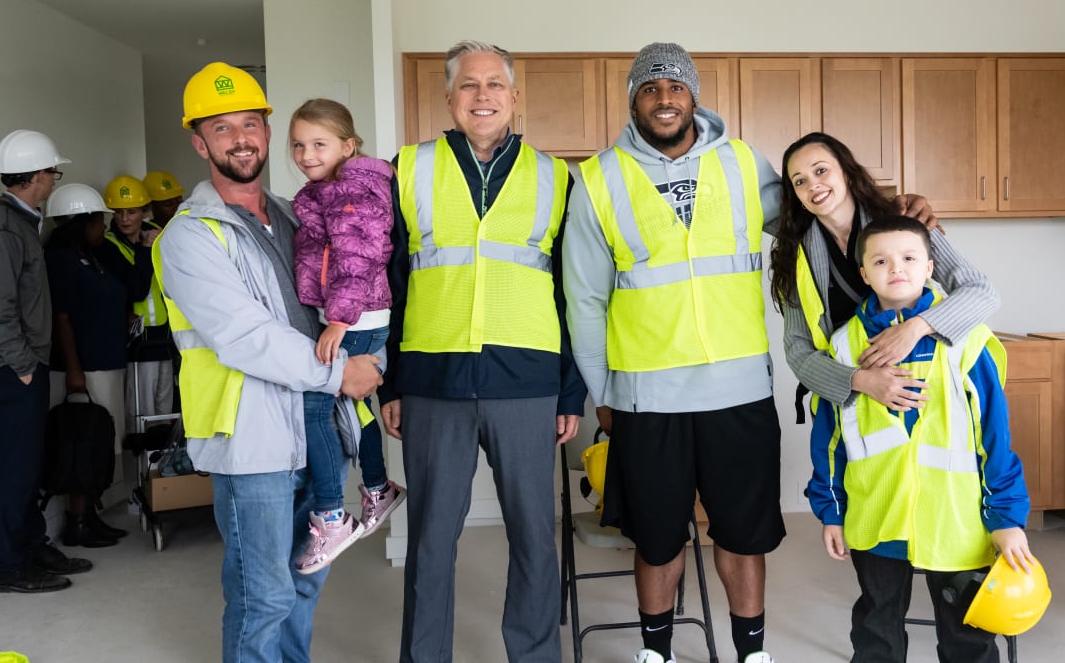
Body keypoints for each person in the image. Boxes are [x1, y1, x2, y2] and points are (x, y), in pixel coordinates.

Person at [153, 61, 382, 663]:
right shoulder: (190, 235)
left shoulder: (295, 213)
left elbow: (356, 289)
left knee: (305, 583)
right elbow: (244, 337)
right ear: (200, 142)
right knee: (265, 595)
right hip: (249, 438)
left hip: (315, 429)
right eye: (222, 129)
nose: (241, 138)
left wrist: (373, 355)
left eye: (250, 123)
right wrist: (341, 374)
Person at [564, 42, 786, 663]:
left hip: (738, 389)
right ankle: (655, 654)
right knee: (657, 539)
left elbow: (818, 219)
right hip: (645, 394)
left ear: (694, 96)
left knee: (743, 536)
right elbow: (583, 300)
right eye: (650, 89)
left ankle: (752, 654)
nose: (664, 99)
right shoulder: (599, 178)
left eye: (675, 88)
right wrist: (603, 392)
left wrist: (891, 213)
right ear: (633, 100)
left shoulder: (743, 163)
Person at [379, 40, 585, 663]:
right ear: (448, 98)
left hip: (527, 382)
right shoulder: (407, 168)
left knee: (532, 534)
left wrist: (570, 389)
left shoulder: (555, 177)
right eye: (469, 85)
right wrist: (391, 383)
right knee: (432, 538)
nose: (483, 96)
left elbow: (571, 291)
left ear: (514, 97)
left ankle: (534, 654)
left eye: (495, 84)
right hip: (432, 380)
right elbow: (386, 281)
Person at [805, 214, 1033, 662]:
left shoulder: (966, 340)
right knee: (876, 627)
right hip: (877, 516)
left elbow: (995, 438)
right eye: (882, 260)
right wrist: (831, 512)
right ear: (864, 273)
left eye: (909, 257)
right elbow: (829, 441)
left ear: (930, 267)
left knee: (967, 633)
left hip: (956, 521)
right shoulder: (845, 346)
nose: (897, 268)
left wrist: (1006, 519)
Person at [769, 131, 998, 427]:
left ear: (847, 173)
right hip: (851, 397)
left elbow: (981, 291)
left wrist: (914, 329)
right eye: (800, 181)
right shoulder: (795, 255)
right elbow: (798, 350)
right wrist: (862, 381)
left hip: (921, 384)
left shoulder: (903, 221)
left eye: (821, 170)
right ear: (796, 196)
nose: (814, 185)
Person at [0, 129, 92, 593]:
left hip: (22, 364)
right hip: (11, 367)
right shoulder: (0, 229)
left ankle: (33, 546)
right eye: (53, 173)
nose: (54, 181)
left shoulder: (20, 224)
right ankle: (11, 566)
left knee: (29, 463)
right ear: (37, 175)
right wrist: (23, 365)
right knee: (15, 468)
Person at [288, 98, 405, 575]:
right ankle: (378, 488)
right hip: (356, 315)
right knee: (352, 406)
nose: (306, 154)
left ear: (348, 145)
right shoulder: (331, 188)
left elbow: (357, 257)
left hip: (354, 318)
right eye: (297, 145)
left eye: (319, 143)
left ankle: (333, 516)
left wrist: (337, 319)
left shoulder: (349, 190)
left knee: (313, 406)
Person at [43, 182, 129, 548]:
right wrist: (75, 370)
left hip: (105, 362)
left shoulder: (90, 255)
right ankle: (76, 521)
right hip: (83, 367)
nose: (105, 227)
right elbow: (60, 317)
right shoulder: (61, 260)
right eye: (98, 220)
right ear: (80, 222)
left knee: (100, 441)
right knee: (82, 441)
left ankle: (89, 516)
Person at [98, 175, 175, 501]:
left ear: (144, 211)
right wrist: (145, 251)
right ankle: (138, 490)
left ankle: (164, 484)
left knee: (165, 414)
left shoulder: (153, 238)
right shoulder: (108, 246)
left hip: (163, 340)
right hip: (138, 344)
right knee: (140, 419)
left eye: (132, 212)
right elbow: (136, 288)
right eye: (119, 212)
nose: (126, 219)